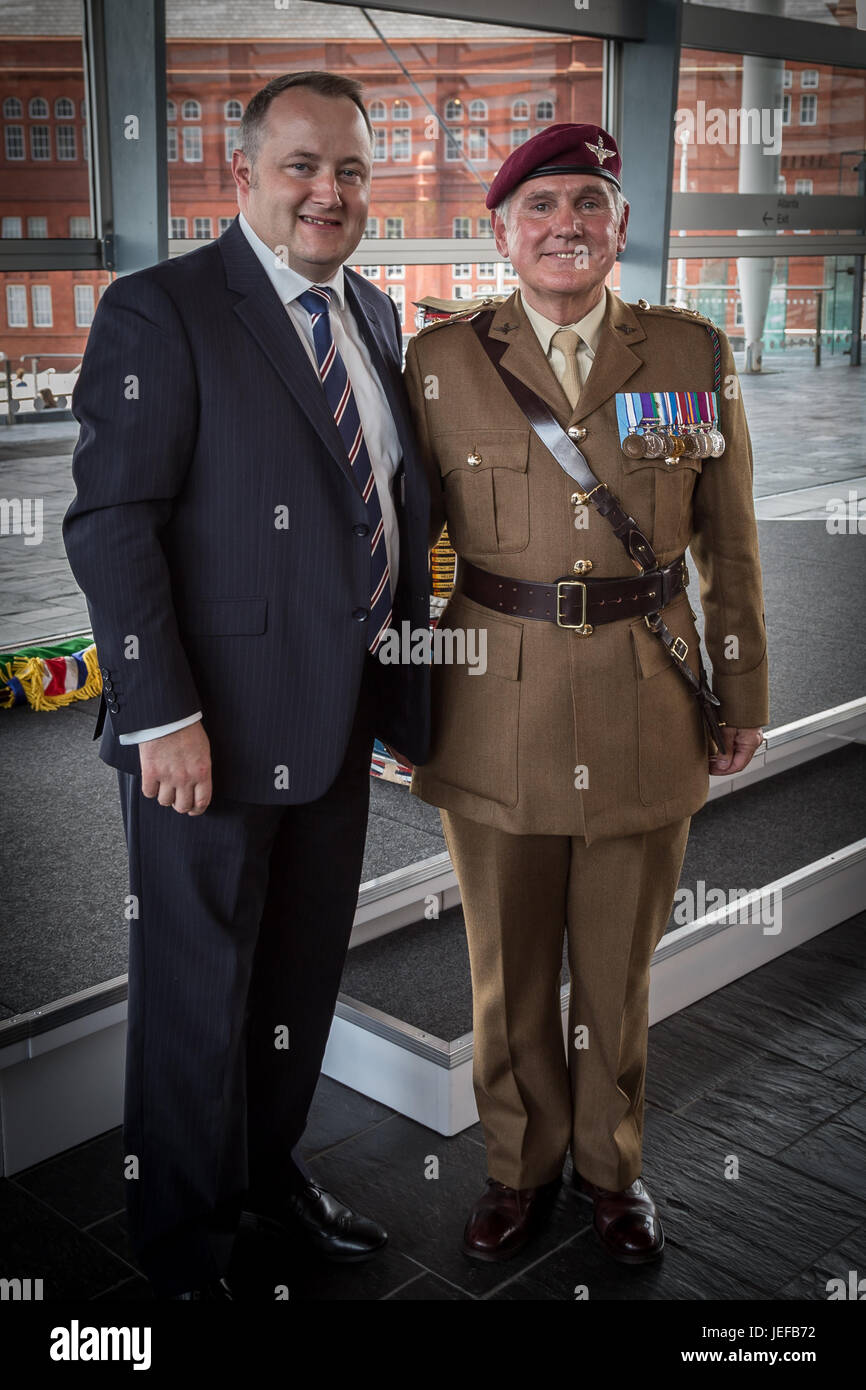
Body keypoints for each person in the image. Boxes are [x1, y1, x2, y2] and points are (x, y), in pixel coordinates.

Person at [63, 71, 430, 1300]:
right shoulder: (159, 310)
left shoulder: (374, 313)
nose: (327, 192)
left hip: (336, 727)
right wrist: (159, 712)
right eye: (300, 166)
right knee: (195, 994)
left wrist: (409, 699)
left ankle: (270, 1183)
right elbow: (115, 525)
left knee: (295, 979)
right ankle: (185, 1250)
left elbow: (386, 517)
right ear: (241, 176)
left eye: (350, 172)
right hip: (205, 738)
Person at [403, 123, 767, 1265]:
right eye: (540, 204)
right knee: (505, 971)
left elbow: (729, 544)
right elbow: (406, 552)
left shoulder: (687, 356)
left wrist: (741, 686)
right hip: (488, 705)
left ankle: (614, 1176)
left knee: (614, 970)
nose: (566, 223)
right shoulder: (439, 362)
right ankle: (519, 1171)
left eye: (589, 204)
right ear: (500, 232)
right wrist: (397, 699)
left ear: (618, 227)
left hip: (644, 697)